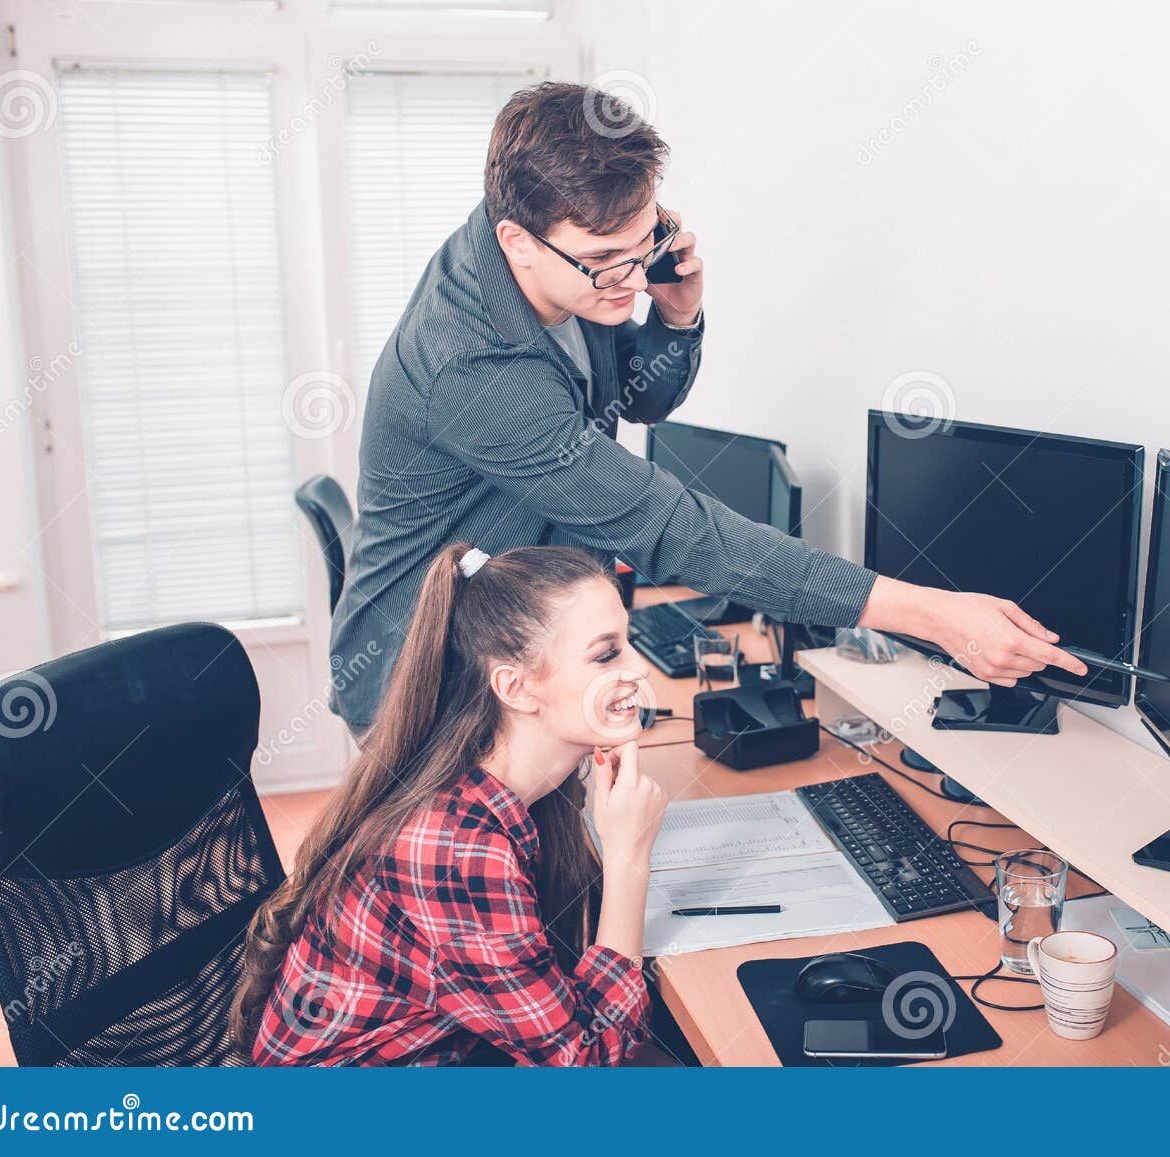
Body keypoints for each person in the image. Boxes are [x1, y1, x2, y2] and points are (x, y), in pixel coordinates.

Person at [329, 81, 1085, 740]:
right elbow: (672, 530)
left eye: (646, 242)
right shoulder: (469, 367)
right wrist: (932, 615)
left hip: (527, 640)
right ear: (517, 242)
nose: (633, 278)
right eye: (608, 262)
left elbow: (637, 398)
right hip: (429, 678)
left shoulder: (560, 243)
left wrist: (676, 315)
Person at [235, 544, 667, 1065]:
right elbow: (587, 1061)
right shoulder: (459, 854)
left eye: (628, 642)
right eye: (607, 654)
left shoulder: (504, 790)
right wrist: (628, 857)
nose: (640, 669)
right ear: (515, 687)